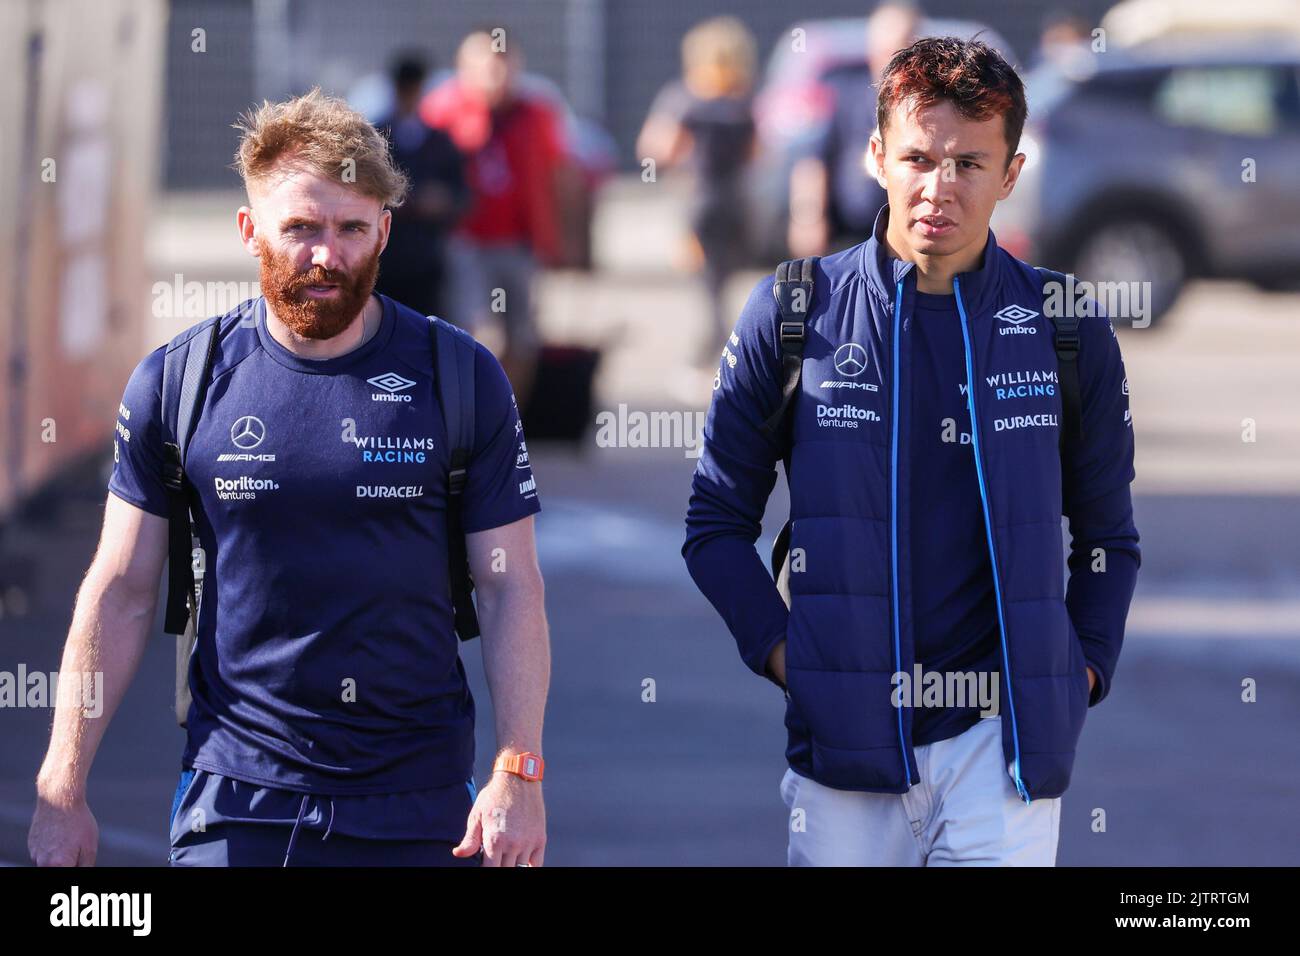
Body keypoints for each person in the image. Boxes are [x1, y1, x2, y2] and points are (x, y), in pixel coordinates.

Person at [27, 88, 550, 867]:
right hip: (235, 802)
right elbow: (122, 587)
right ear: (250, 230)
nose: (325, 256)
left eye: (350, 229)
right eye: (300, 227)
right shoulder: (181, 382)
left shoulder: (460, 376)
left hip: (419, 804)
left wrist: (519, 769)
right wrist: (61, 786)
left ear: (385, 231)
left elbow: (509, 585)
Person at [684, 37, 1140, 866]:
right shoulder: (794, 312)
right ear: (875, 156)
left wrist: (1080, 678)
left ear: (1011, 174)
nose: (940, 188)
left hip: (1001, 758)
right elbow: (714, 522)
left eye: (970, 163)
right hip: (844, 762)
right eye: (918, 158)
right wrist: (792, 662)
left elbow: (1110, 540)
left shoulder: (1064, 324)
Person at [420, 27, 568, 411]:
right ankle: (470, 420)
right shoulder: (442, 111)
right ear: (463, 67)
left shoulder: (536, 114)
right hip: (466, 242)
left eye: (501, 62)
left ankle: (507, 421)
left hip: (519, 243)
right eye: (483, 63)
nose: (494, 72)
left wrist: (566, 240)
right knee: (478, 334)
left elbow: (558, 177)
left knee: (521, 339)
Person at [637, 16, 759, 368]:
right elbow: (757, 153)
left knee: (705, 277)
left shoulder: (685, 98)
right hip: (737, 199)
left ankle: (718, 341)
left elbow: (658, 147)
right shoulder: (743, 100)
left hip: (700, 199)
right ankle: (723, 340)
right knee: (723, 276)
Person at [788, 0, 920, 258]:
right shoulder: (843, 90)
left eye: (902, 49)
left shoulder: (926, 101)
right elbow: (814, 159)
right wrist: (808, 218)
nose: (892, 59)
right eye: (887, 48)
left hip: (904, 237)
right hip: (847, 231)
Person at [372, 53, 470, 319]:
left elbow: (462, 194)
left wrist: (444, 202)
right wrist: (411, 201)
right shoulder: (374, 138)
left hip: (427, 257)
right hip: (385, 255)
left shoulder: (440, 141)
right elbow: (362, 189)